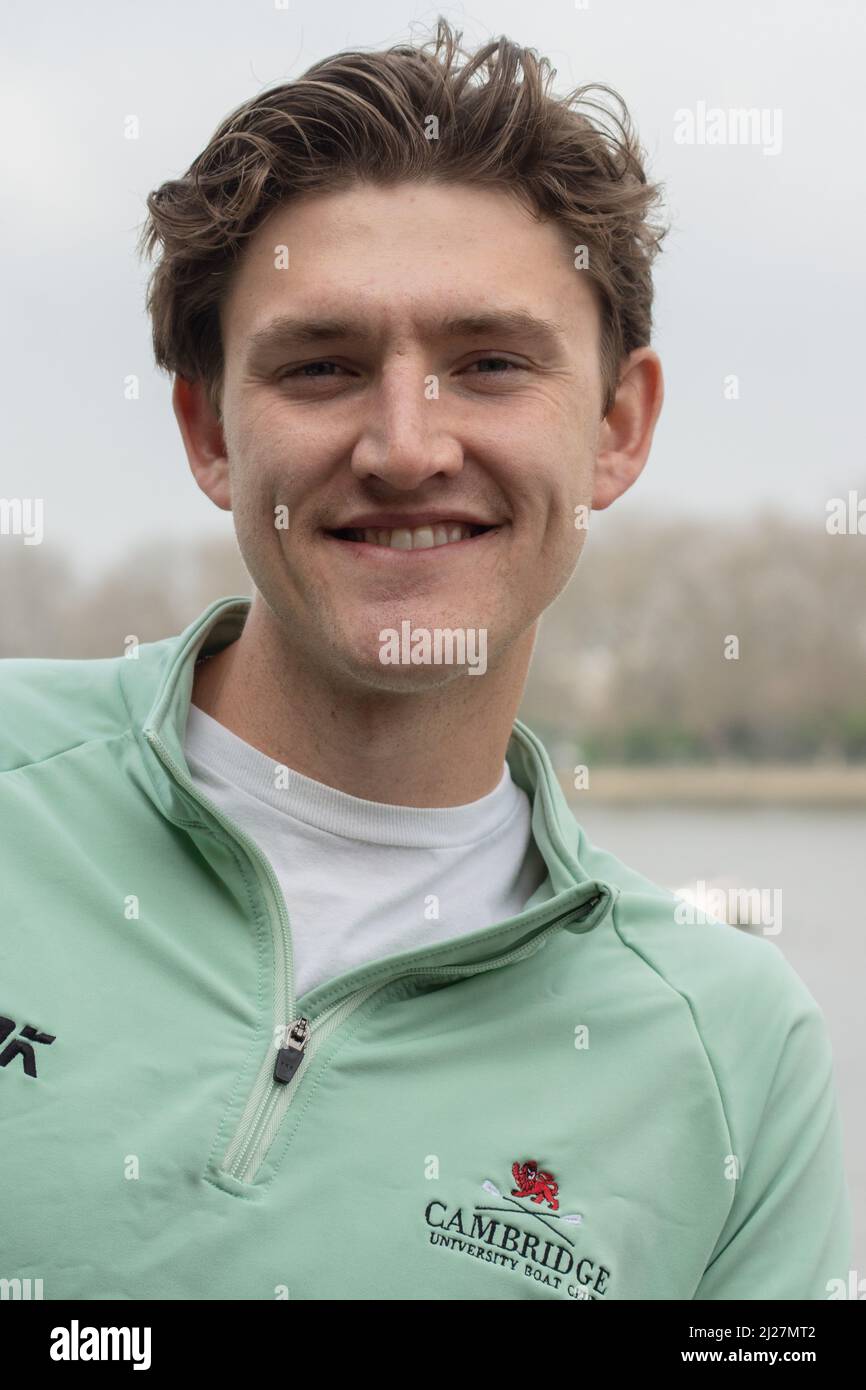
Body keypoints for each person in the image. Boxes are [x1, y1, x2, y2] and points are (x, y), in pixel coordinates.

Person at [0, 19, 850, 1301]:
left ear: (617, 427)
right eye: (323, 365)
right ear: (207, 426)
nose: (405, 446)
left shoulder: (732, 1053)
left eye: (489, 364)